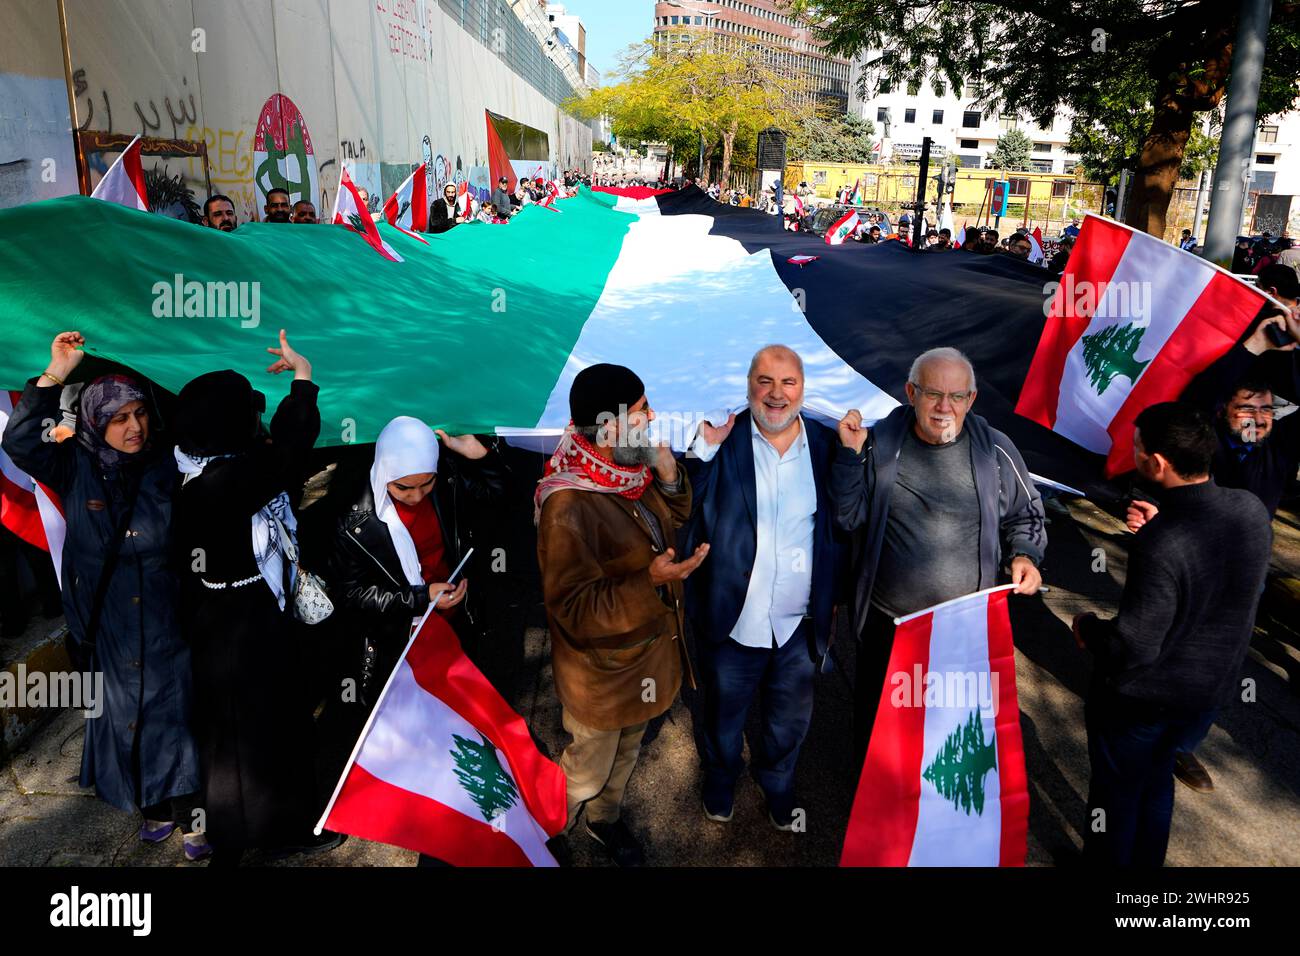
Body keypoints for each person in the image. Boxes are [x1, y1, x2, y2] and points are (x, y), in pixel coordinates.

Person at [1, 332, 205, 861]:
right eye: (118, 418)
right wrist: (54, 373)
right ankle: (152, 807)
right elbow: (20, 442)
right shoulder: (74, 464)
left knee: (173, 708)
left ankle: (190, 814)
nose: (133, 427)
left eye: (138, 413)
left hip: (164, 612)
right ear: (96, 421)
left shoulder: (167, 464)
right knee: (123, 712)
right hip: (105, 619)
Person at [1073, 402, 1271, 866]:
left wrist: (1089, 631)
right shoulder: (1249, 509)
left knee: (1115, 800)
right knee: (1157, 786)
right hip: (1203, 694)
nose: (1133, 452)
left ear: (1156, 463)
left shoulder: (1163, 543)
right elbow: (1211, 568)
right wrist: (1160, 527)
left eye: (1137, 446)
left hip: (1141, 701)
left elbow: (1135, 645)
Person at [831, 347, 1046, 767]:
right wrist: (850, 457)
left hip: (962, 630)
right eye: (932, 393)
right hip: (889, 623)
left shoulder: (994, 452)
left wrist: (1025, 554)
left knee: (949, 731)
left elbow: (1028, 512)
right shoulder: (879, 445)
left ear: (972, 399)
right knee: (880, 726)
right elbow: (846, 516)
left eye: (957, 396)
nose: (944, 407)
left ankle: (935, 819)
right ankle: (874, 811)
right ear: (911, 392)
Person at [173, 330, 340, 865]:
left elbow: (280, 456)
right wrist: (303, 375)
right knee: (275, 729)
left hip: (214, 620)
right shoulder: (232, 479)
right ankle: (276, 829)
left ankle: (234, 832)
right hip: (251, 622)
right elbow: (291, 448)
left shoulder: (191, 470)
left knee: (229, 736)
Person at [1127, 279, 1300, 792]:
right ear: (1226, 413)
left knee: (1221, 663)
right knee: (1160, 646)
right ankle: (1144, 722)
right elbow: (1196, 397)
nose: (1257, 419)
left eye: (1267, 410)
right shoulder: (1205, 443)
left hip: (1243, 573)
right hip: (1181, 562)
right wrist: (1254, 347)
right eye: (1246, 408)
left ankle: (1182, 745)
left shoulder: (1280, 448)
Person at [535, 364, 707, 866]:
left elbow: (665, 524)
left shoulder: (627, 471)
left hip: (646, 662)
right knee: (586, 769)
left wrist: (671, 475)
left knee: (628, 752)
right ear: (609, 427)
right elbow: (571, 608)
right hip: (603, 676)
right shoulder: (567, 506)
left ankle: (603, 822)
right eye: (641, 411)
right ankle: (546, 830)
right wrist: (649, 581)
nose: (652, 417)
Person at [684, 346, 844, 829]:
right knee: (723, 716)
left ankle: (778, 785)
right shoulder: (722, 441)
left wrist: (833, 598)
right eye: (765, 381)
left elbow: (843, 523)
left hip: (800, 622)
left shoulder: (824, 444)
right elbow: (685, 507)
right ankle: (720, 777)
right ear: (749, 386)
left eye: (788, 382)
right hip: (736, 620)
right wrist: (703, 451)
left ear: (802, 388)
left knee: (788, 721)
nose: (776, 394)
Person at [330, 415, 505, 712]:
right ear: (383, 473)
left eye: (426, 483)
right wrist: (422, 598)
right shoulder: (354, 521)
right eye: (402, 488)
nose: (416, 496)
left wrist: (480, 457)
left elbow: (499, 497)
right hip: (398, 638)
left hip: (454, 620)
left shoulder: (446, 483)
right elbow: (351, 593)